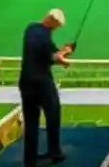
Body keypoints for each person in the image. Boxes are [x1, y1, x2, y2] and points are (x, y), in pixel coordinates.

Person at [19, 9, 74, 165]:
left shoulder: (31, 29)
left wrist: (63, 52)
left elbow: (47, 52)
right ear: (51, 20)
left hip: (25, 82)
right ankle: (54, 152)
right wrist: (63, 60)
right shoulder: (45, 35)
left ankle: (29, 161)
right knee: (53, 113)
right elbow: (51, 57)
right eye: (56, 25)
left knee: (31, 122)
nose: (56, 28)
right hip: (42, 83)